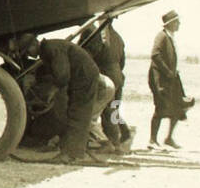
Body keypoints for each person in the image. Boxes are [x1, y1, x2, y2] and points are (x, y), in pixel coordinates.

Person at [12, 33, 105, 164]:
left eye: (27, 51)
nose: (28, 54)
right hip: (81, 77)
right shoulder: (49, 48)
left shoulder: (51, 48)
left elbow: (62, 75)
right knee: (74, 112)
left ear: (34, 45)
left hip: (84, 78)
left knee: (78, 113)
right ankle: (73, 151)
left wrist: (52, 90)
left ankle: (71, 154)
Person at [148, 10, 194, 148]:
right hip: (160, 79)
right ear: (171, 23)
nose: (179, 24)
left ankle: (168, 138)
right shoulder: (161, 36)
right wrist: (167, 72)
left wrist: (173, 72)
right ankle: (152, 140)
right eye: (177, 21)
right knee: (160, 107)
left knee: (179, 106)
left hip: (171, 78)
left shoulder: (170, 37)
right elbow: (155, 55)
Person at [82, 20, 129, 147]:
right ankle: (121, 134)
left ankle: (113, 142)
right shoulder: (118, 37)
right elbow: (122, 61)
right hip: (118, 76)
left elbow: (90, 55)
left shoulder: (101, 35)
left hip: (107, 75)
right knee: (114, 109)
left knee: (107, 111)